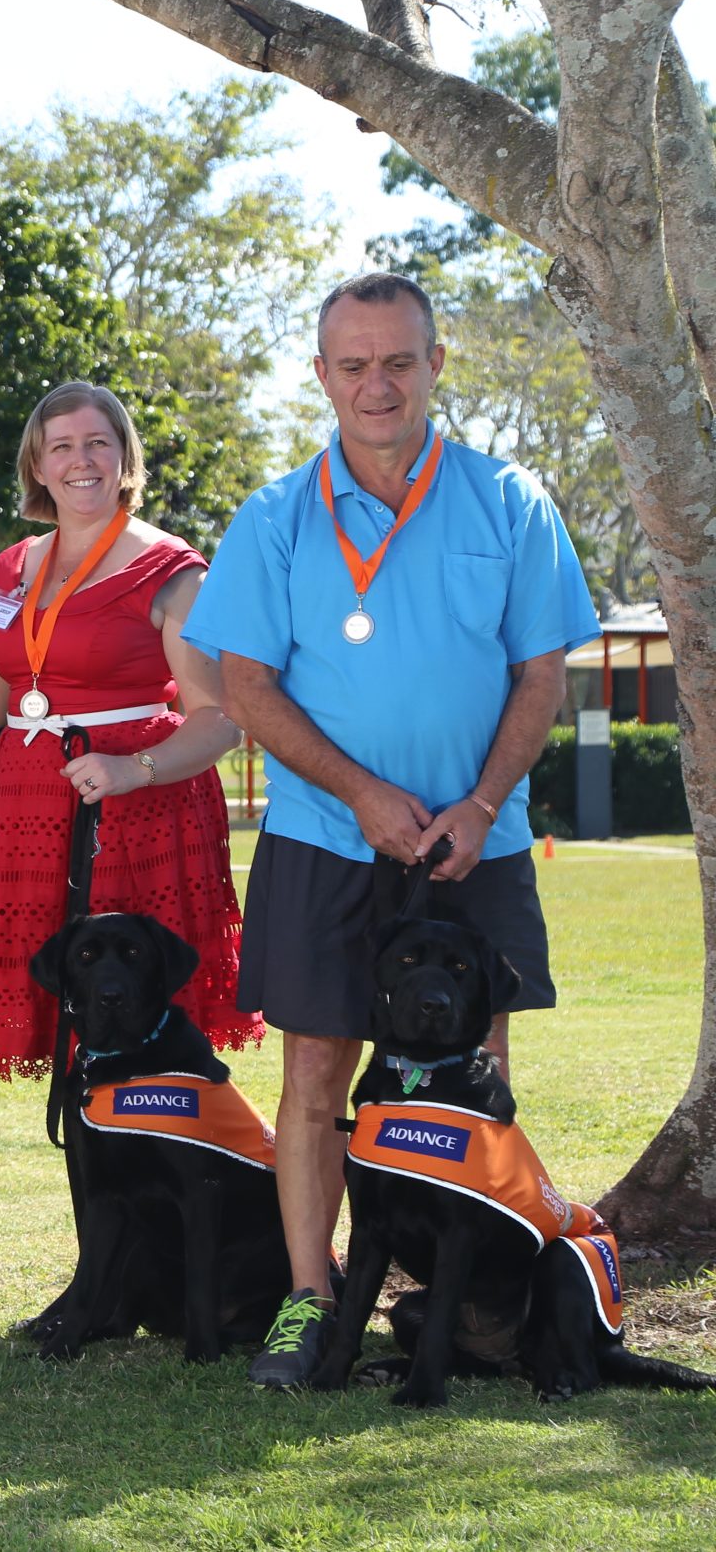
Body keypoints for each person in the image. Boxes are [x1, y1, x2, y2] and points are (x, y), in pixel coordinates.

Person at [186, 271, 601, 1389]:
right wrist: (365, 793)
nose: (378, 384)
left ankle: (460, 1310)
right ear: (320, 375)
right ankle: (310, 1305)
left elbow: (538, 676)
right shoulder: (274, 516)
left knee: (476, 1072)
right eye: (353, 364)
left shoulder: (509, 501)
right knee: (315, 1073)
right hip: (326, 835)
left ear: (435, 363)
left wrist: (475, 804)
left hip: (479, 841)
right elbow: (247, 687)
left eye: (399, 360)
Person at [0, 381, 253, 1076]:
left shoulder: (171, 569)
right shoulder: (10, 571)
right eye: (63, 446)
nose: (82, 460)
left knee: (139, 1028)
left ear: (124, 456)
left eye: (98, 443)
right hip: (27, 818)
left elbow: (222, 719)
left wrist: (131, 769)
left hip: (136, 816)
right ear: (38, 466)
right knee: (65, 1027)